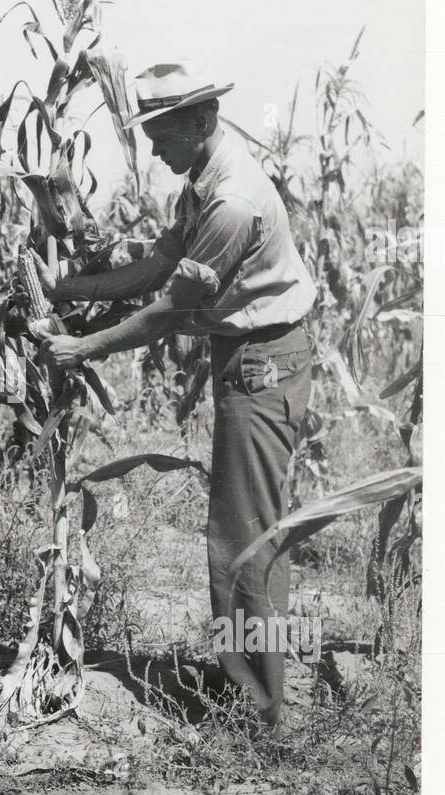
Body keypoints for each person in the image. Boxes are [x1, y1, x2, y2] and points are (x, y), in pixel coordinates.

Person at [42, 62, 316, 734]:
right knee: (246, 531)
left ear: (199, 122)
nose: (153, 150)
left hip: (261, 367)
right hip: (247, 361)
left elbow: (167, 309)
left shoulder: (231, 201)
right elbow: (160, 263)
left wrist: (85, 348)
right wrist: (72, 291)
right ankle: (256, 693)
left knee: (244, 538)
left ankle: (263, 715)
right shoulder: (201, 184)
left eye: (161, 136)